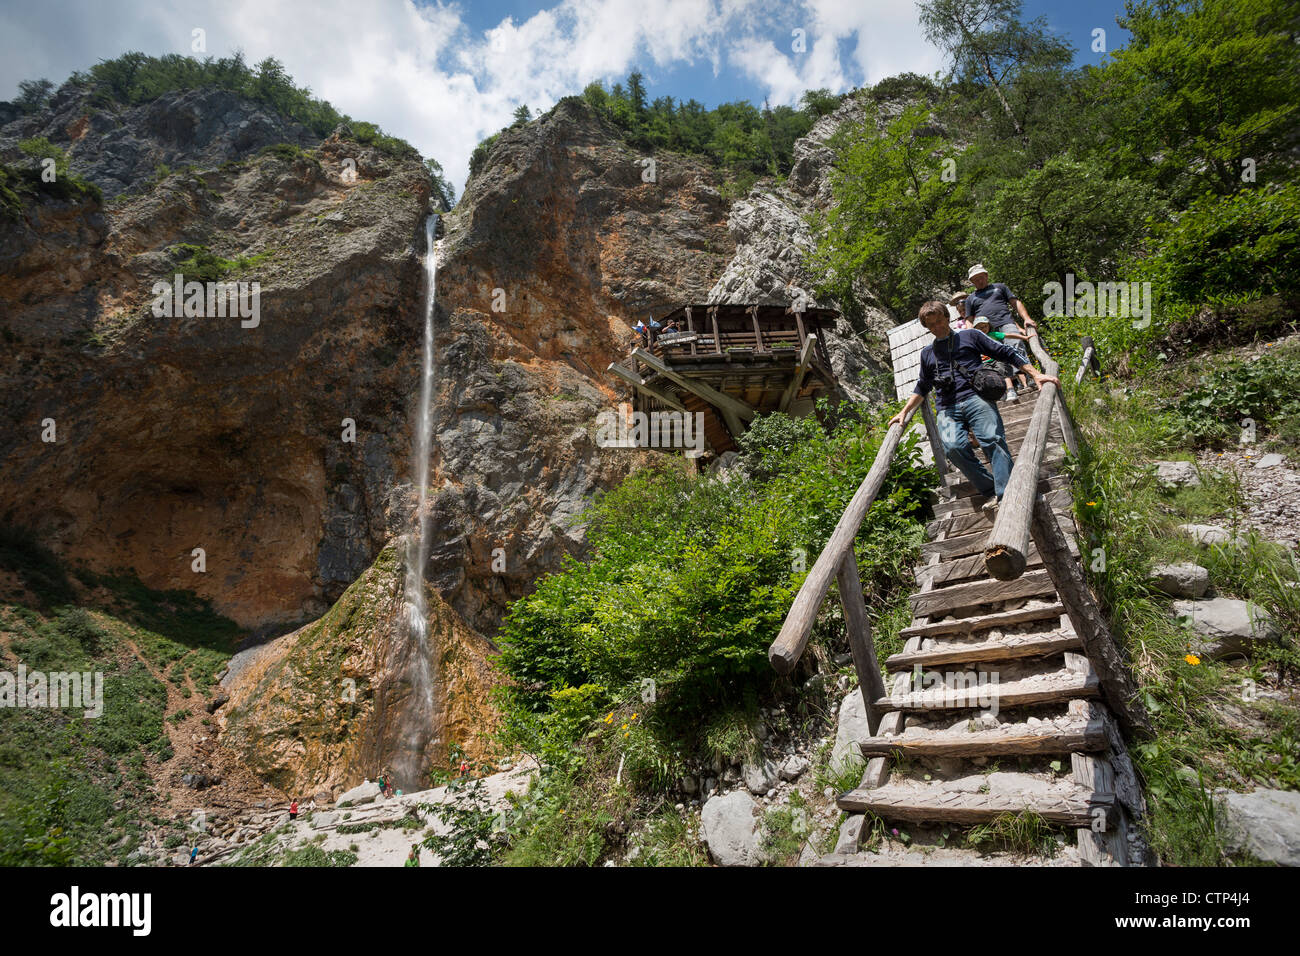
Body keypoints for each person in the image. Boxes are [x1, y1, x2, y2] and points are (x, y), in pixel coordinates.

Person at [888, 300, 1060, 508]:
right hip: (947, 407)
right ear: (927, 327)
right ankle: (989, 489)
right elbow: (922, 386)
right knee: (953, 449)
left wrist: (1036, 374)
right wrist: (904, 412)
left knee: (992, 439)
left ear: (947, 318)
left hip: (976, 396)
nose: (937, 327)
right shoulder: (927, 353)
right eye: (931, 325)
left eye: (940, 321)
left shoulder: (971, 336)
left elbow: (1005, 352)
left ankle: (1007, 495)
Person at [963, 264, 1038, 382]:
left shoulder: (1000, 287)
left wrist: (1027, 318)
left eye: (981, 277)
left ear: (986, 276)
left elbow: (1015, 303)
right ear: (972, 281)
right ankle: (1010, 387)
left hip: (1006, 322)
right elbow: (968, 319)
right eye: (976, 279)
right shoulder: (971, 299)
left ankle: (1032, 377)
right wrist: (970, 335)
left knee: (1016, 346)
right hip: (986, 331)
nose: (979, 281)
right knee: (997, 359)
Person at [970, 316, 1029, 401]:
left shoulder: (993, 334)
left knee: (1003, 372)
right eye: (980, 328)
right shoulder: (976, 340)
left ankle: (1010, 390)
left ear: (989, 326)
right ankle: (1001, 393)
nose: (983, 329)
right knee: (991, 377)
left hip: (998, 358)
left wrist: (1024, 337)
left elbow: (1008, 335)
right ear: (976, 329)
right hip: (985, 362)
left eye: (985, 326)